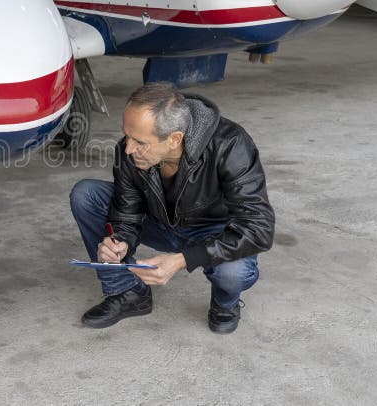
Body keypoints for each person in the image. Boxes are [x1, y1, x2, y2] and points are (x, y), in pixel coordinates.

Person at [70, 82, 274, 333]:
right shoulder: (129, 151)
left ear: (175, 139)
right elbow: (126, 211)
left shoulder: (230, 144)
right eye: (127, 136)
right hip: (159, 223)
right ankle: (127, 292)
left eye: (140, 142)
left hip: (212, 233)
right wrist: (119, 241)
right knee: (86, 195)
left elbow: (259, 228)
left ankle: (225, 302)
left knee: (234, 272)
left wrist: (183, 259)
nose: (128, 149)